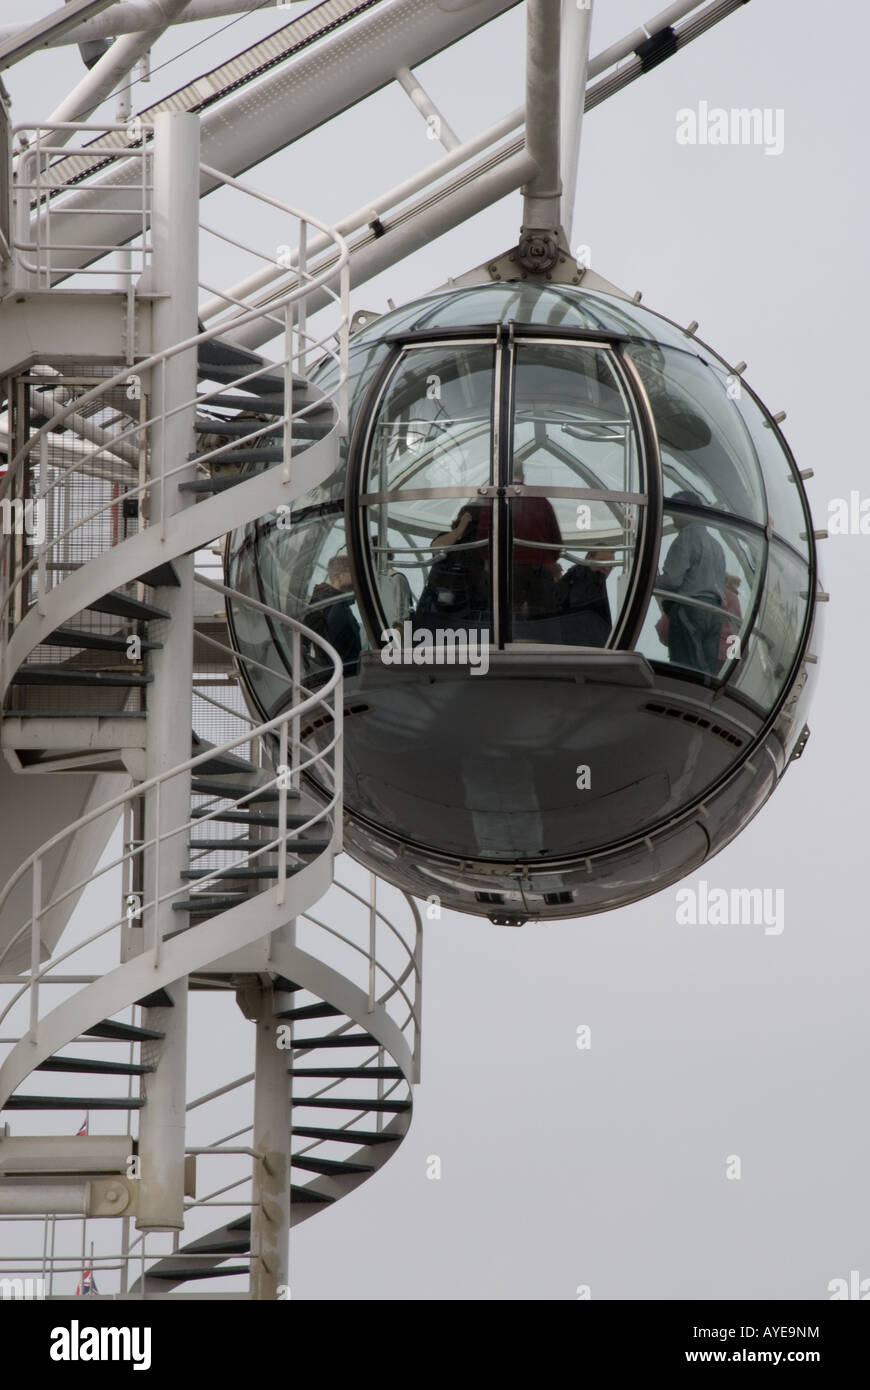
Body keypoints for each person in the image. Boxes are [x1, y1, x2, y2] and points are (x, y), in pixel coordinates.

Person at [658, 491, 726, 674]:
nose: (673, 513)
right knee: (709, 672)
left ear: (691, 511)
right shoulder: (716, 545)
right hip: (715, 613)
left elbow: (672, 580)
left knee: (686, 668)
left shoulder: (686, 537)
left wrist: (650, 581)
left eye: (678, 508)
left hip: (690, 607)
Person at [414, 503, 488, 630]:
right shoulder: (449, 538)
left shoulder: (484, 544)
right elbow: (436, 547)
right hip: (438, 602)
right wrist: (460, 529)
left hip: (471, 603)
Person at [304, 553, 361, 677]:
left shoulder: (339, 604)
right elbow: (306, 638)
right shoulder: (324, 602)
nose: (356, 577)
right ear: (338, 576)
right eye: (351, 572)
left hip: (344, 671)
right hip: (337, 672)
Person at [556, 549, 615, 646]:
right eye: (601, 561)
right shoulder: (587, 579)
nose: (606, 567)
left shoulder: (574, 577)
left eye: (610, 566)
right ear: (588, 558)